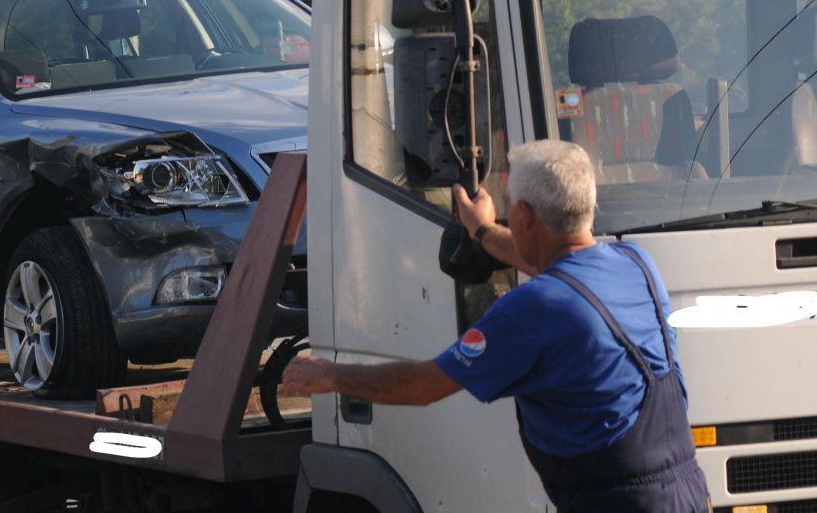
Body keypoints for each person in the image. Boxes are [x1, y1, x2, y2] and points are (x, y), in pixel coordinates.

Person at [283, 140, 711, 513]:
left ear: (523, 216)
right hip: (689, 493)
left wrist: (332, 374)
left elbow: (422, 386)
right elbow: (552, 263)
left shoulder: (534, 309)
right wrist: (484, 230)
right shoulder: (636, 264)